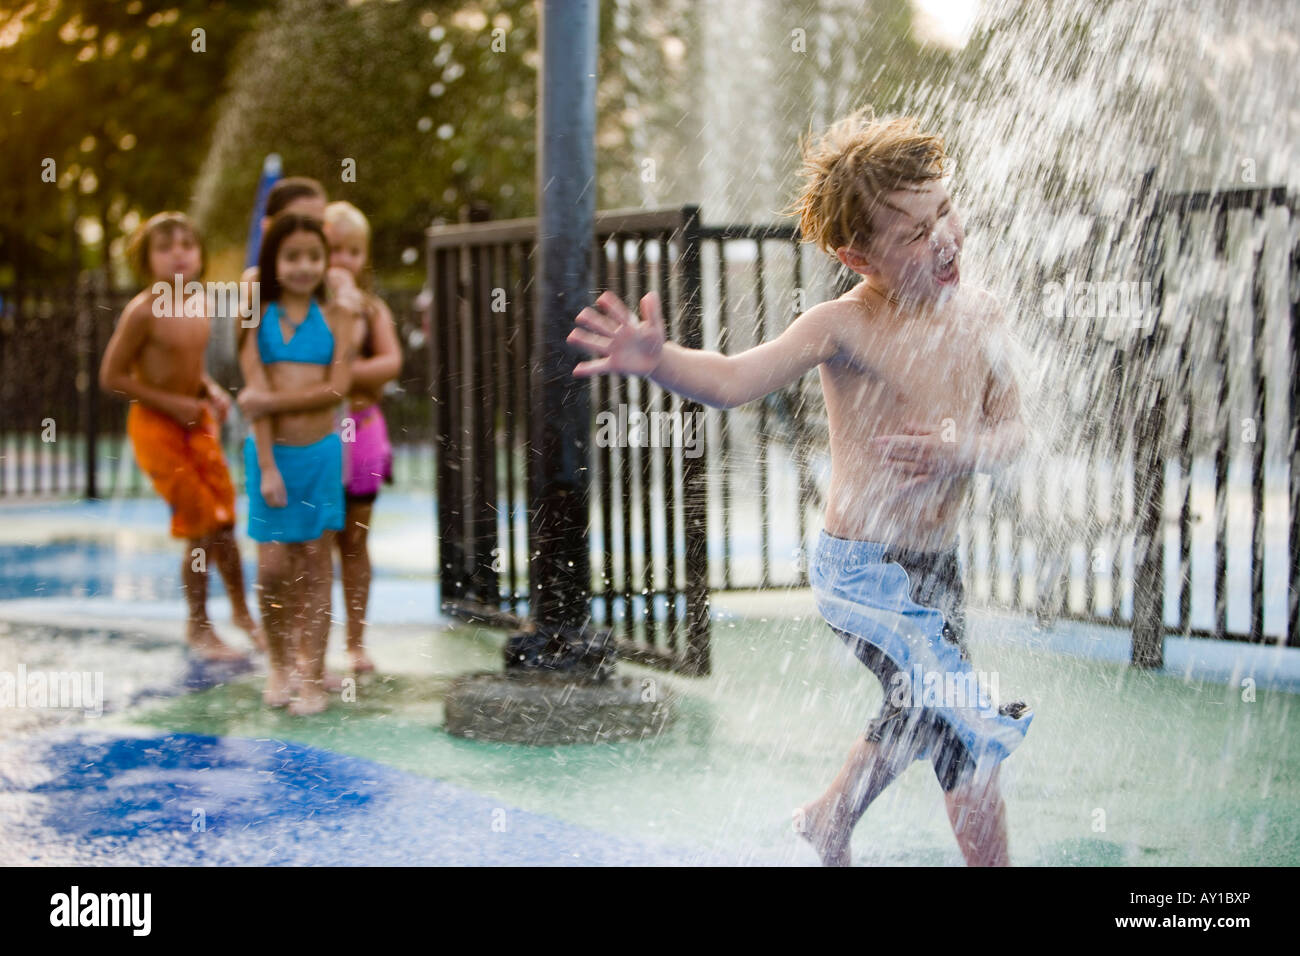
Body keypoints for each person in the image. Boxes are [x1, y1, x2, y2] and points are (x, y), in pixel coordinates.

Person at [567, 108, 1033, 866]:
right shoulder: (843, 325)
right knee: (960, 717)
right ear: (859, 256)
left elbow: (1013, 433)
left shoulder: (984, 316)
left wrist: (966, 450)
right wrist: (657, 361)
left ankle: (829, 816)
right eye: (915, 233)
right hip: (865, 572)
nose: (944, 236)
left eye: (945, 209)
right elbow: (734, 379)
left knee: (930, 714)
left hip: (935, 569)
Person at [99, 212, 265, 661]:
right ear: (146, 260)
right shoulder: (143, 311)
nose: (178, 253)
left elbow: (189, 366)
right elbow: (110, 376)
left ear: (200, 256)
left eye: (187, 245)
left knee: (225, 521)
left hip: (197, 422)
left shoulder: (199, 302)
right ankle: (199, 625)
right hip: (157, 427)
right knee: (201, 524)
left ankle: (242, 613)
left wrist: (209, 390)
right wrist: (172, 404)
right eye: (165, 246)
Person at [236, 213, 358, 714]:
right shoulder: (255, 315)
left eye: (313, 255)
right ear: (274, 262)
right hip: (272, 457)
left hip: (321, 456)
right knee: (271, 570)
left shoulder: (339, 317)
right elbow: (254, 396)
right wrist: (266, 465)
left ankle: (312, 674)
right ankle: (280, 663)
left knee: (315, 566)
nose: (304, 266)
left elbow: (337, 388)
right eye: (292, 256)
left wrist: (269, 404)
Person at [323, 201, 402, 674]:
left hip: (363, 431)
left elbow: (391, 363)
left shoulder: (373, 310)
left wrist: (342, 376)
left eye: (353, 252)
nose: (343, 261)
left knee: (355, 541)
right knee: (314, 543)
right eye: (333, 250)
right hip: (318, 436)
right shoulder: (306, 311)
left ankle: (355, 641)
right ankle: (307, 640)